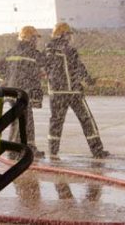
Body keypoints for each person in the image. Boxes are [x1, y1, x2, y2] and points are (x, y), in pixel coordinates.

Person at [44, 22, 110, 159]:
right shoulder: (68, 50)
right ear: (63, 34)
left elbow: (46, 68)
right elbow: (79, 67)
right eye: (68, 34)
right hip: (73, 92)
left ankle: (53, 151)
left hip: (57, 94)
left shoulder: (48, 49)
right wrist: (88, 79)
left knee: (56, 122)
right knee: (87, 120)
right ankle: (97, 150)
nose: (70, 37)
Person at [0, 25, 46, 158]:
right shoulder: (33, 54)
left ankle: (27, 146)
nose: (36, 41)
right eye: (35, 38)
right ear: (29, 38)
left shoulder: (11, 51)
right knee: (22, 120)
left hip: (14, 91)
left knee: (23, 120)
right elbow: (37, 73)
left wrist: (9, 78)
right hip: (23, 92)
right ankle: (14, 150)